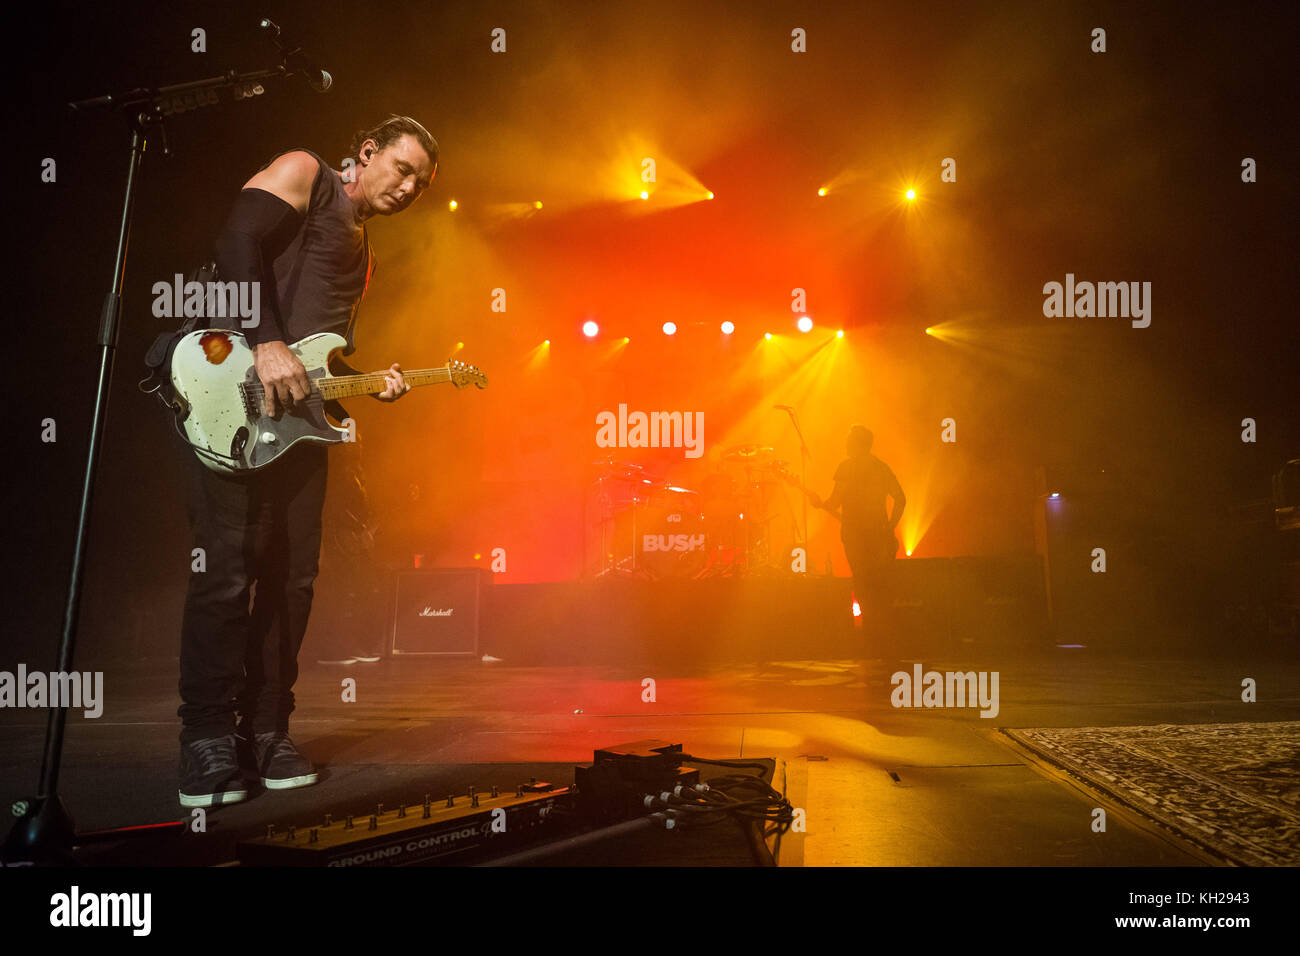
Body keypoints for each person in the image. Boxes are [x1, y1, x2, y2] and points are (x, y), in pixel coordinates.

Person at [176, 116, 437, 808]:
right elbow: (234, 239)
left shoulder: (364, 250)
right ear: (367, 151)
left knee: (291, 583)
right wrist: (264, 342)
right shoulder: (305, 173)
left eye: (421, 183)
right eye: (402, 168)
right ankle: (204, 741)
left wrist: (368, 383)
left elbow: (321, 353)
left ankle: (267, 732)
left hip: (297, 427)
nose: (409, 187)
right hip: (233, 397)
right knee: (226, 578)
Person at [810, 426, 905, 635]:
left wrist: (818, 503)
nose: (846, 444)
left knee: (861, 582)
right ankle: (886, 635)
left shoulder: (846, 467)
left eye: (849, 440)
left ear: (858, 444)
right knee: (879, 584)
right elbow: (901, 499)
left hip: (855, 535)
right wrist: (890, 526)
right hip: (879, 534)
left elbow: (835, 501)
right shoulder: (881, 467)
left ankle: (869, 634)